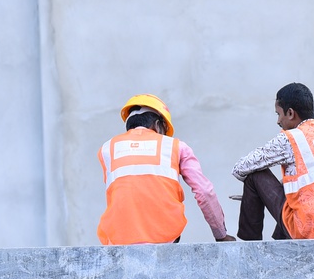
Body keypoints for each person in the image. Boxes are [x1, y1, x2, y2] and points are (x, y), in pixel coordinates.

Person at [231, 82, 314, 240]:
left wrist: (253, 196)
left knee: (255, 174)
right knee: (293, 192)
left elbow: (240, 167)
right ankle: (281, 245)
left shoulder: (291, 138)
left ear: (290, 113)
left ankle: (249, 245)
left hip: (311, 229)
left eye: (278, 114)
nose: (278, 121)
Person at [97, 93, 237, 245]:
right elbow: (204, 191)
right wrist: (220, 235)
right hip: (165, 238)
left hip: (118, 241)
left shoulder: (107, 149)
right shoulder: (176, 146)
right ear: (158, 125)